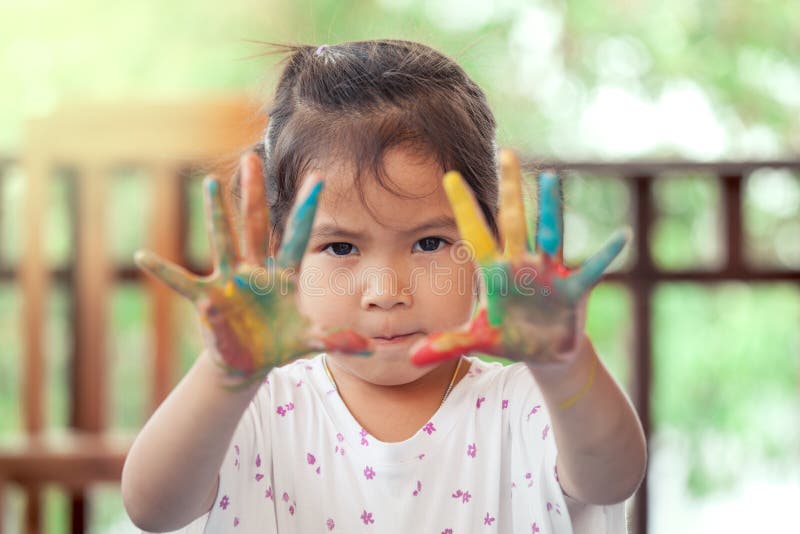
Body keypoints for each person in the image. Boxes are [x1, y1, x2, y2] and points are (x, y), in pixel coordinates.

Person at [121, 40, 647, 533]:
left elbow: (612, 478)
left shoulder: (529, 403)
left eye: (429, 243)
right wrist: (223, 374)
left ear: (487, 242)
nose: (386, 291)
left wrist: (564, 366)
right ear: (283, 255)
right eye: (341, 248)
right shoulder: (254, 409)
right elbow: (153, 508)